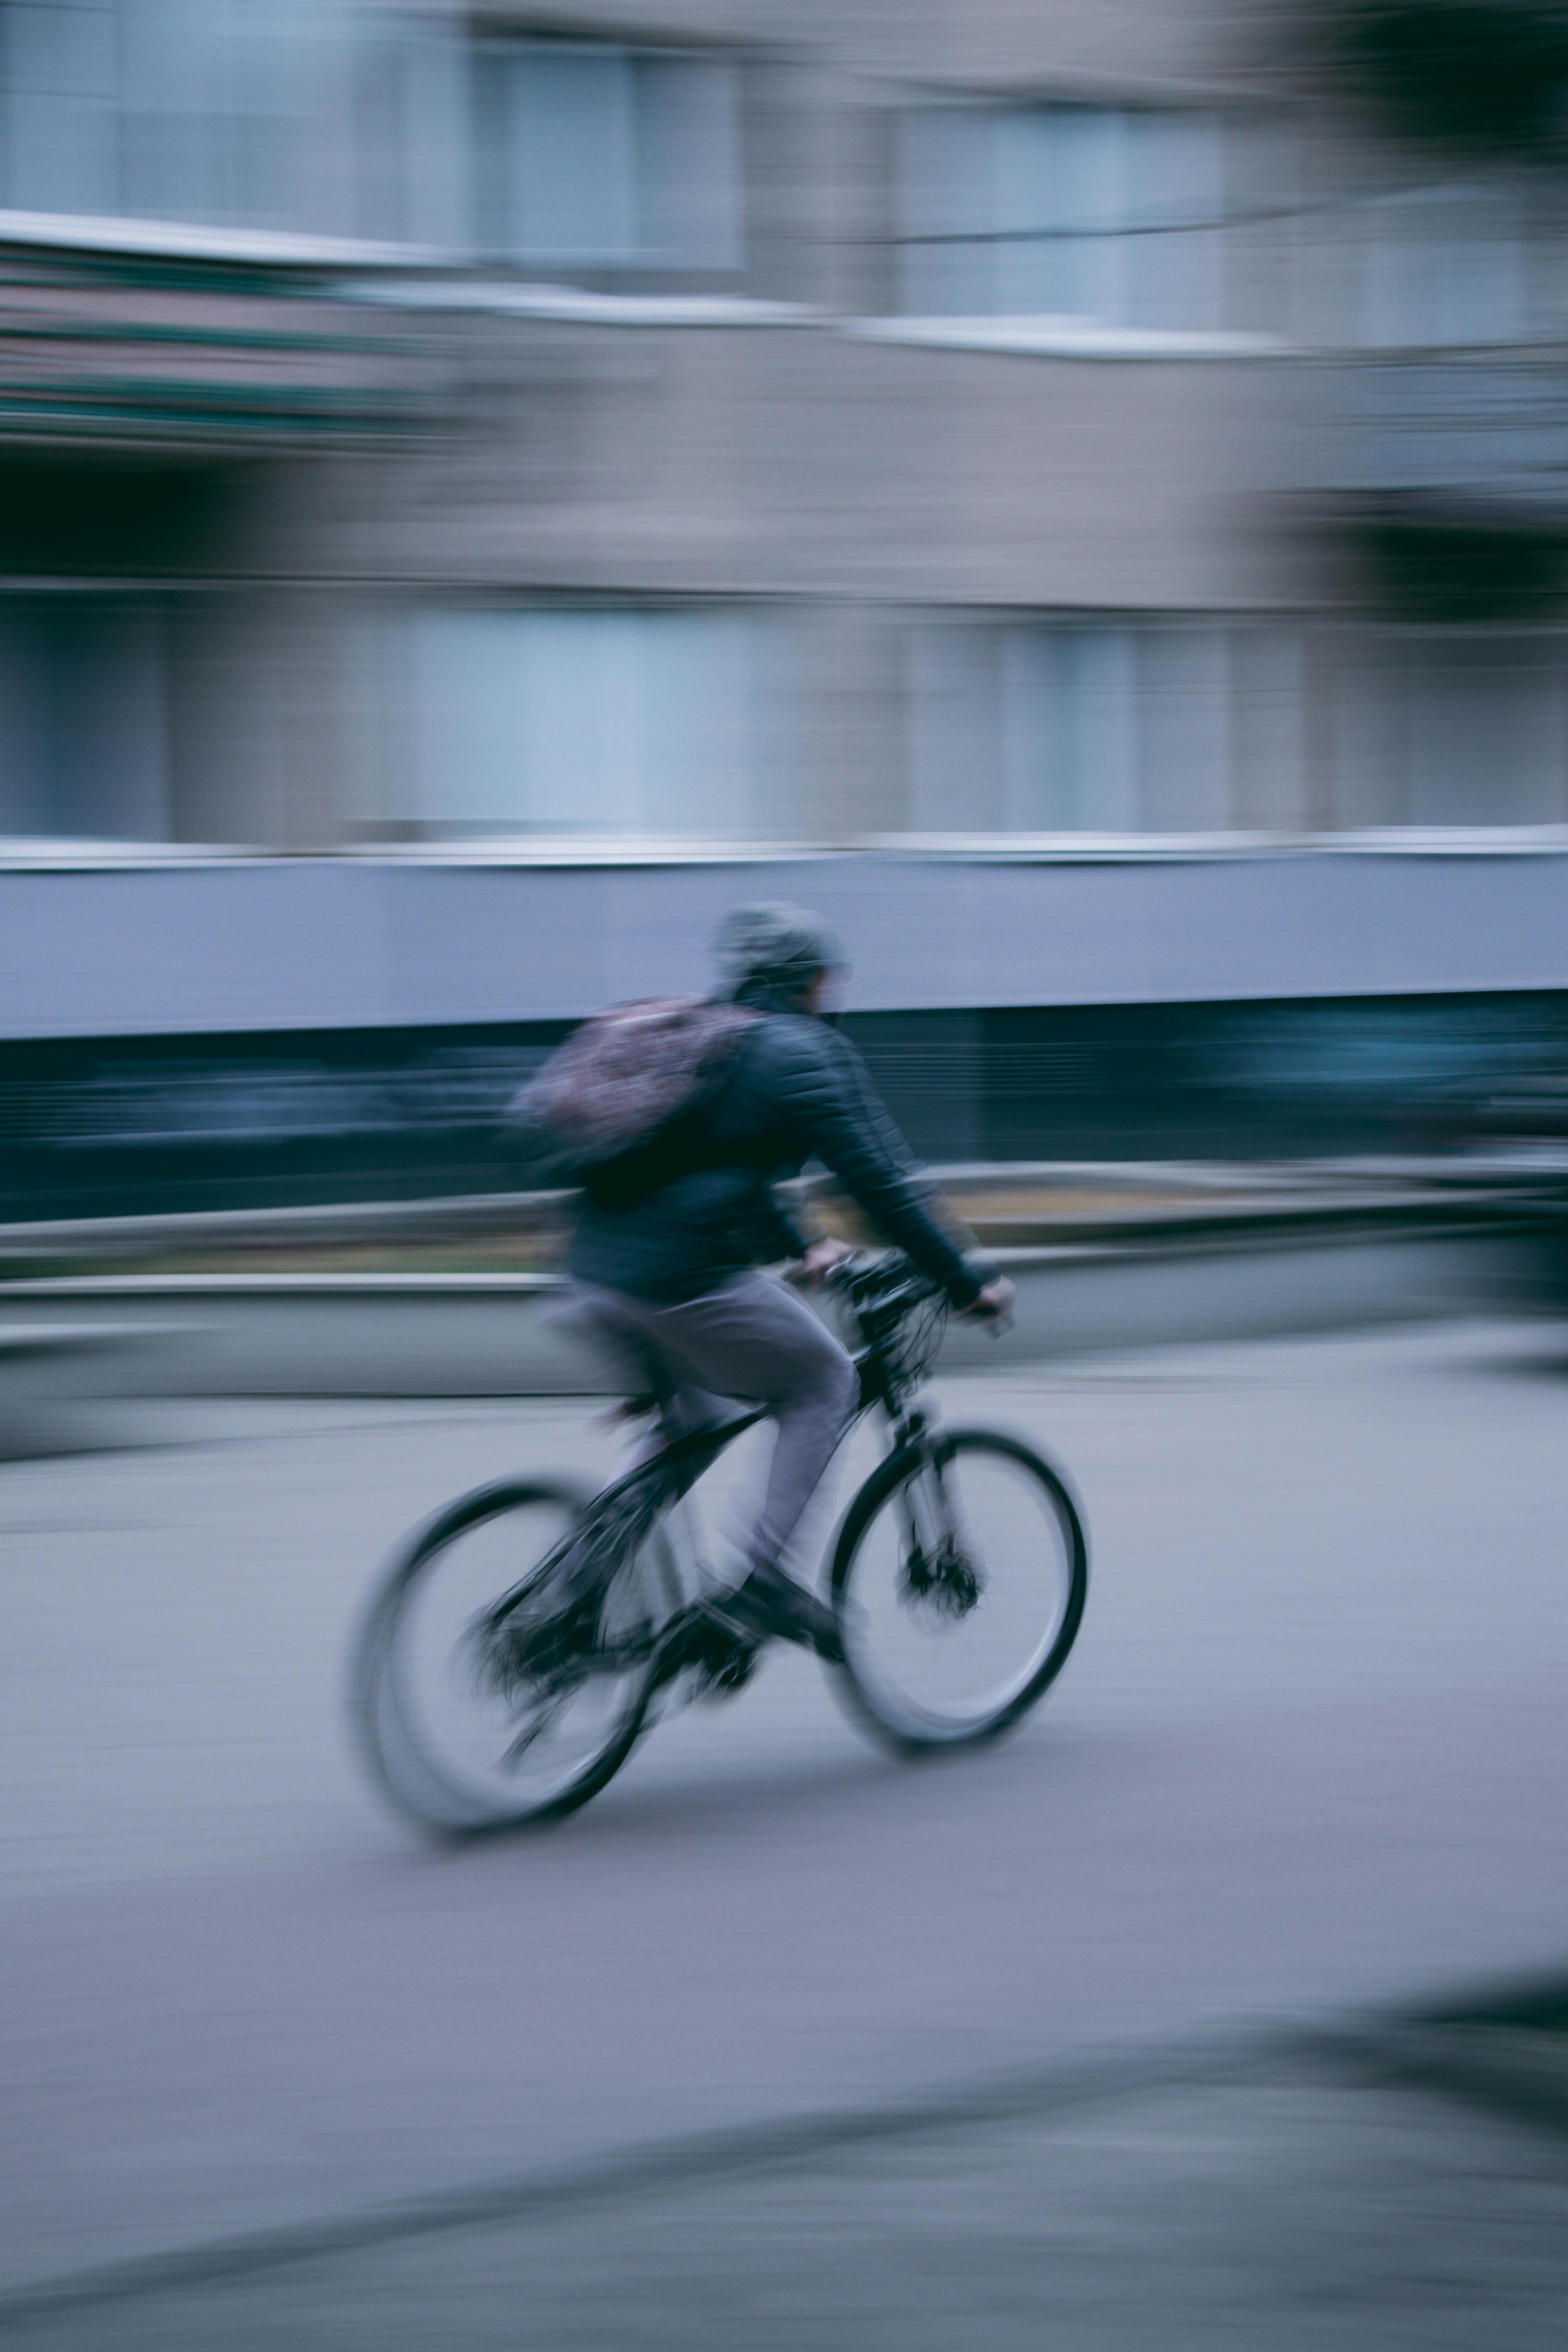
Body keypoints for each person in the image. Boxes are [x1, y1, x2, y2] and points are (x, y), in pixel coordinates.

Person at [572, 903, 1014, 1664]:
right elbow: (878, 1181)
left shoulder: (706, 1040)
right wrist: (963, 1279)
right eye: (828, 982)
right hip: (672, 1277)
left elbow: (714, 1174)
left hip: (591, 1275)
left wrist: (801, 1245)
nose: (831, 997)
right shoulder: (800, 1051)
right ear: (810, 981)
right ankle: (762, 1583)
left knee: (696, 1417)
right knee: (823, 1383)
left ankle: (572, 1598)